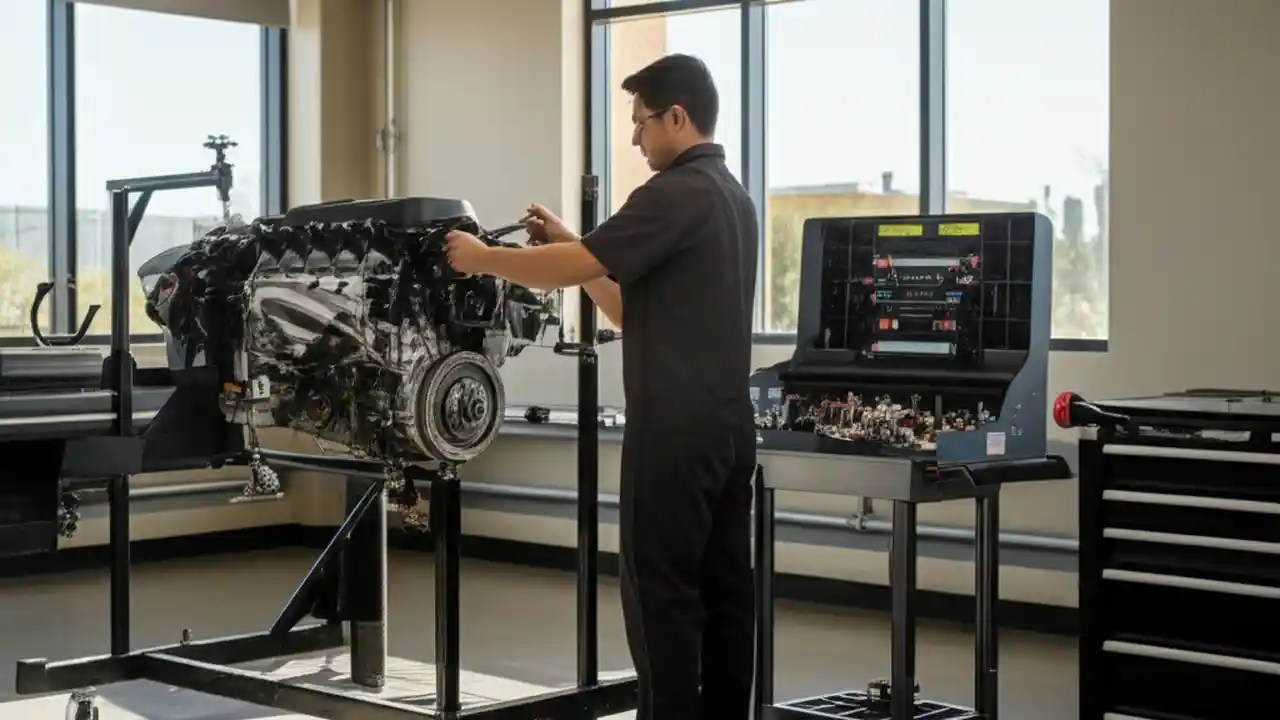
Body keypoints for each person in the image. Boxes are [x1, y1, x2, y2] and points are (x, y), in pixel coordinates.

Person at [444, 53, 758, 720]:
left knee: (661, 595)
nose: (638, 137)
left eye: (642, 122)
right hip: (729, 432)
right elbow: (621, 307)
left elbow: (570, 269)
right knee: (727, 590)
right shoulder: (732, 197)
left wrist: (482, 260)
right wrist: (568, 238)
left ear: (677, 116)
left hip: (671, 434)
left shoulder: (674, 193)